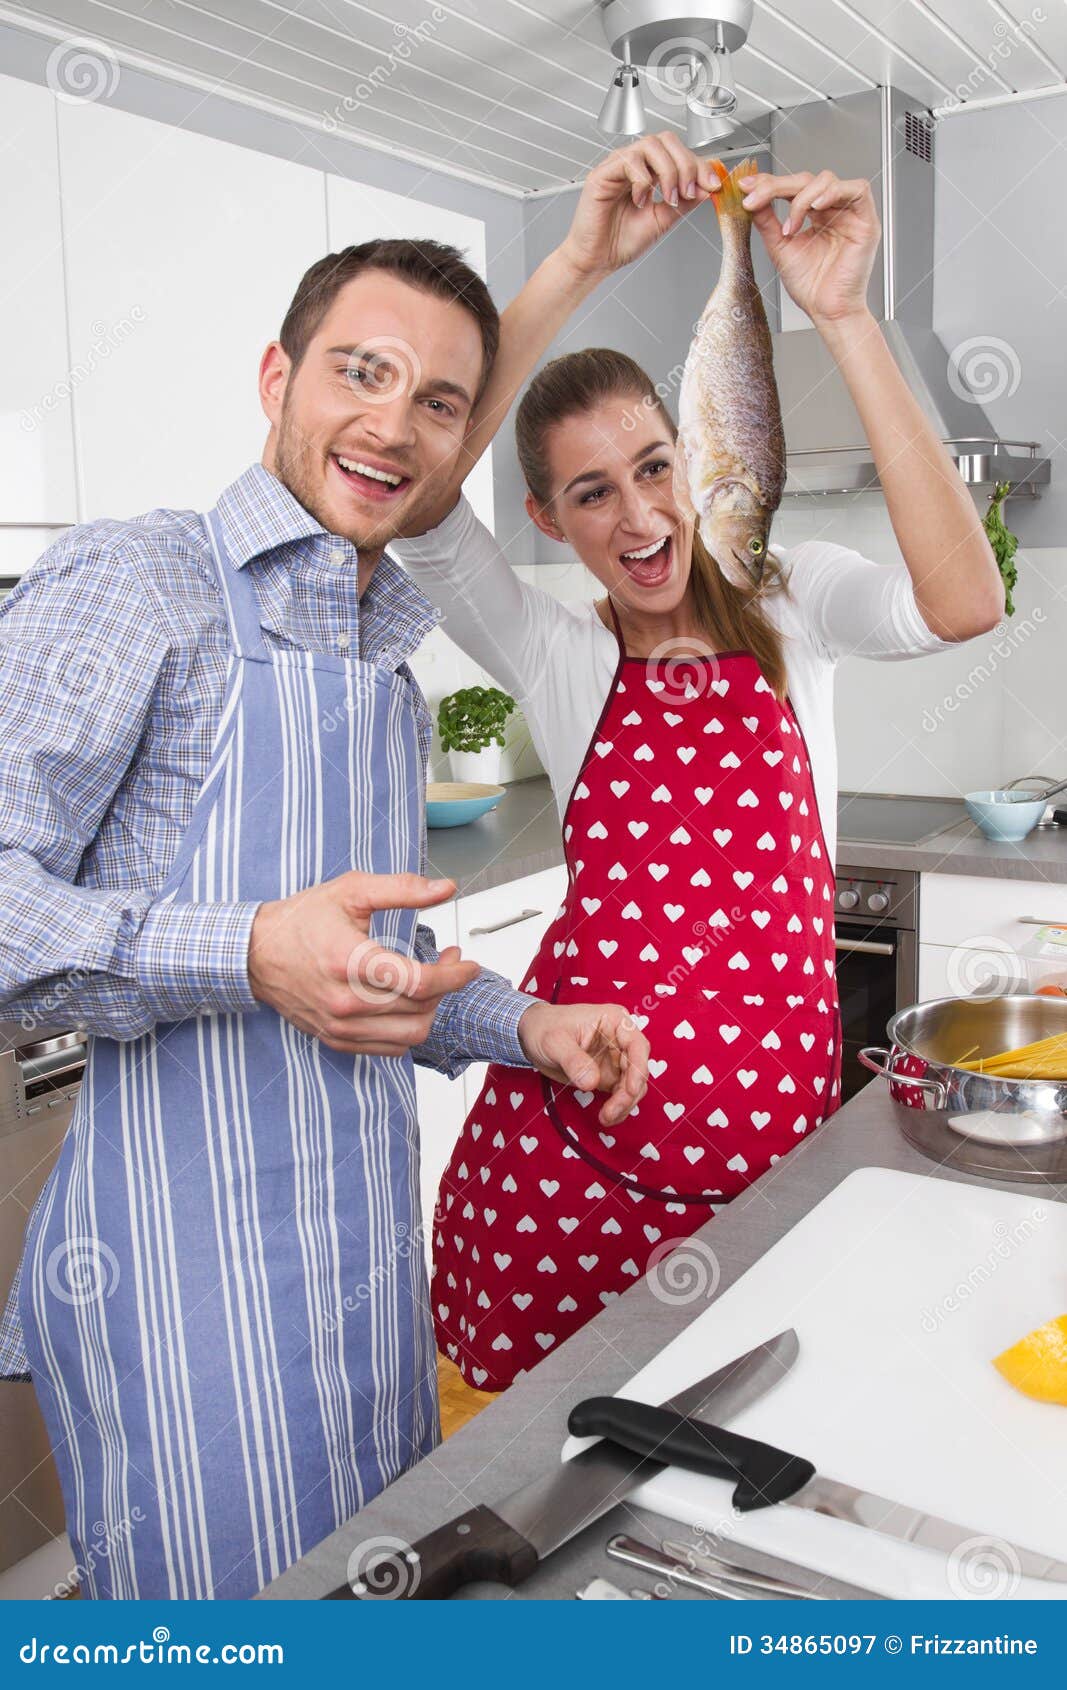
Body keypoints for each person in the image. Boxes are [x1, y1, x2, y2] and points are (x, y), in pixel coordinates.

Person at [0, 230, 657, 1597]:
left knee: (369, 1613)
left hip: (361, 1287)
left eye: (436, 402)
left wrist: (523, 1021)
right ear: (275, 375)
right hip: (186, 1299)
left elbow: (376, 969)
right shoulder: (141, 580)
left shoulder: (381, 661)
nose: (393, 423)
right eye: (362, 372)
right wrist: (244, 951)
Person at [391, 151, 1005, 1392]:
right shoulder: (555, 653)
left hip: (762, 1153)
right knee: (545, 1486)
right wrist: (577, 263)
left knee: (743, 1438)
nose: (638, 519)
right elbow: (417, 490)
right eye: (590, 492)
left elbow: (962, 604)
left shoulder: (796, 604)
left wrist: (838, 311)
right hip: (569, 1162)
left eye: (654, 467)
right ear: (549, 519)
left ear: (694, 450)